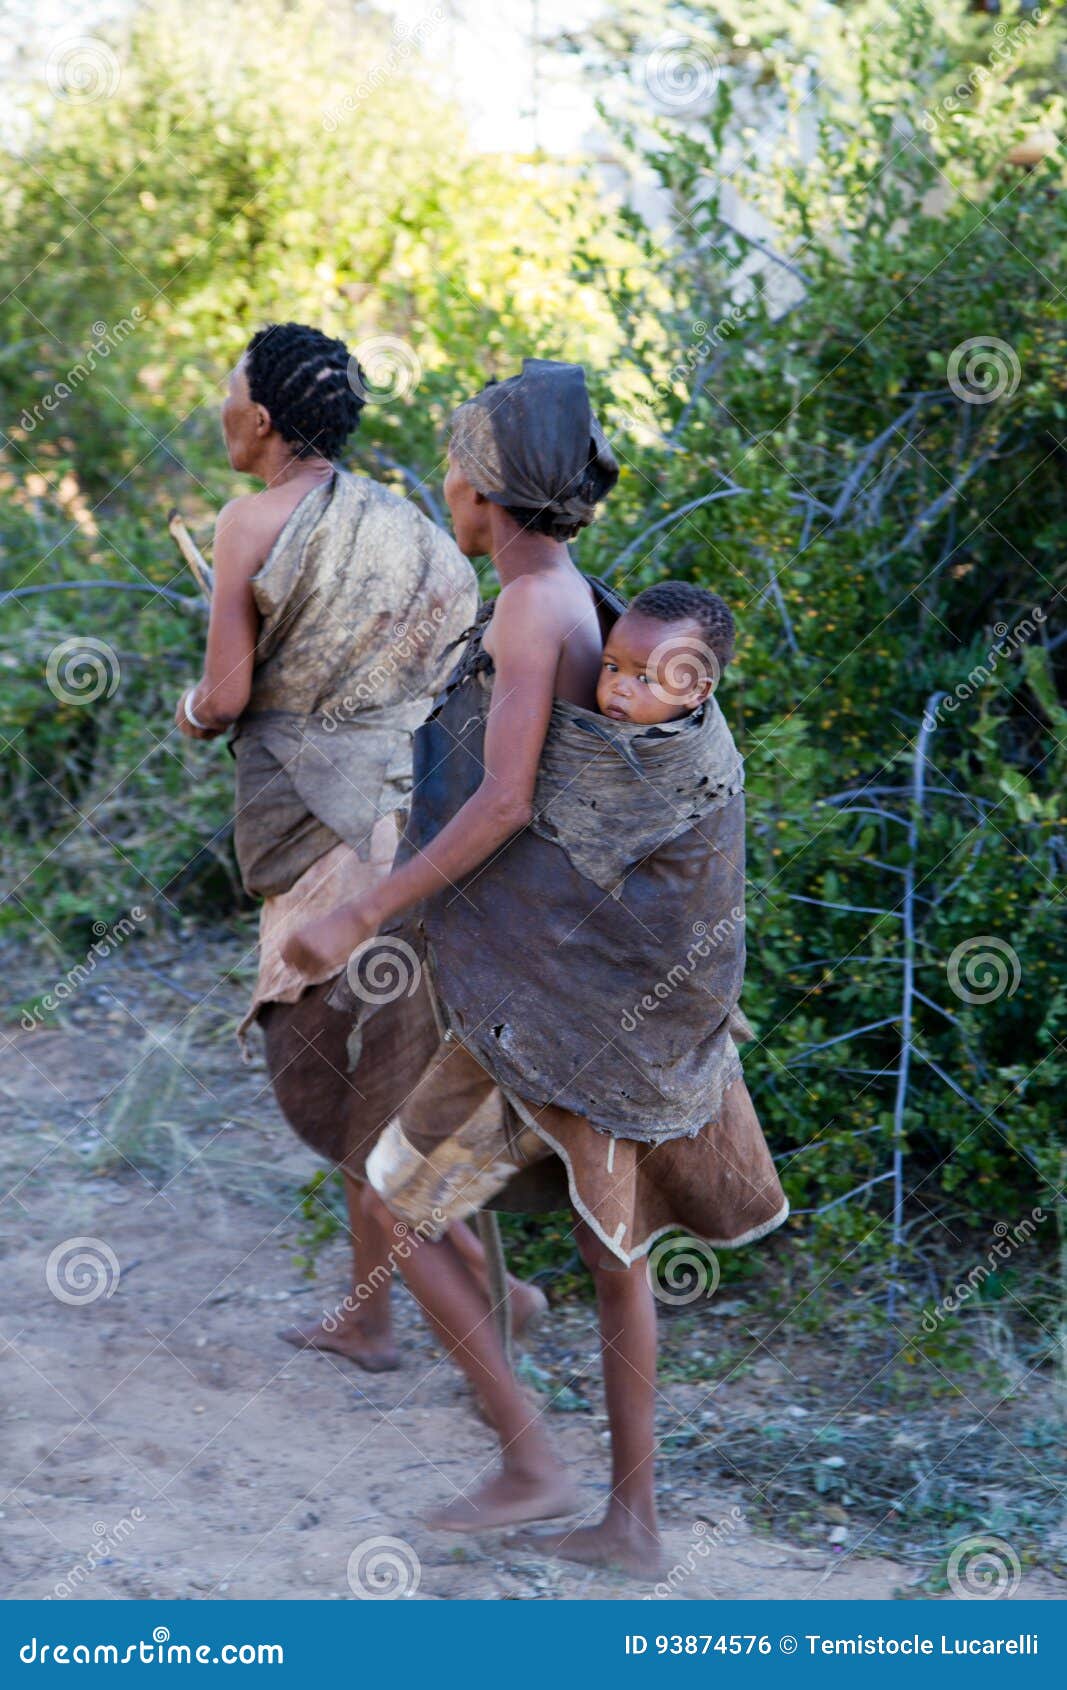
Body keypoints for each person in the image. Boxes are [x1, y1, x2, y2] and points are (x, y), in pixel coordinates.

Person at [284, 358, 787, 1574]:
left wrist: (364, 913)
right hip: (587, 988)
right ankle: (613, 1510)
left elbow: (508, 800)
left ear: (485, 489)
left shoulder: (528, 608)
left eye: (454, 467)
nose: (444, 487)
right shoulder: (564, 598)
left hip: (566, 995)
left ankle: (548, 1470)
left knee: (411, 1201)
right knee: (602, 1251)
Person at [174, 321, 543, 1371]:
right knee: (374, 1080)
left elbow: (227, 695)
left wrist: (192, 712)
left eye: (229, 389)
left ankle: (474, 1305)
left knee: (317, 1082)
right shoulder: (410, 524)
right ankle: (386, 1311)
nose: (221, 406)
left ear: (259, 418)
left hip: (323, 837)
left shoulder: (249, 520)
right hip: (417, 824)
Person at [596, 580, 735, 725]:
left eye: (645, 679)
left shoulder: (704, 739)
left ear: (696, 692)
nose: (620, 689)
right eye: (612, 667)